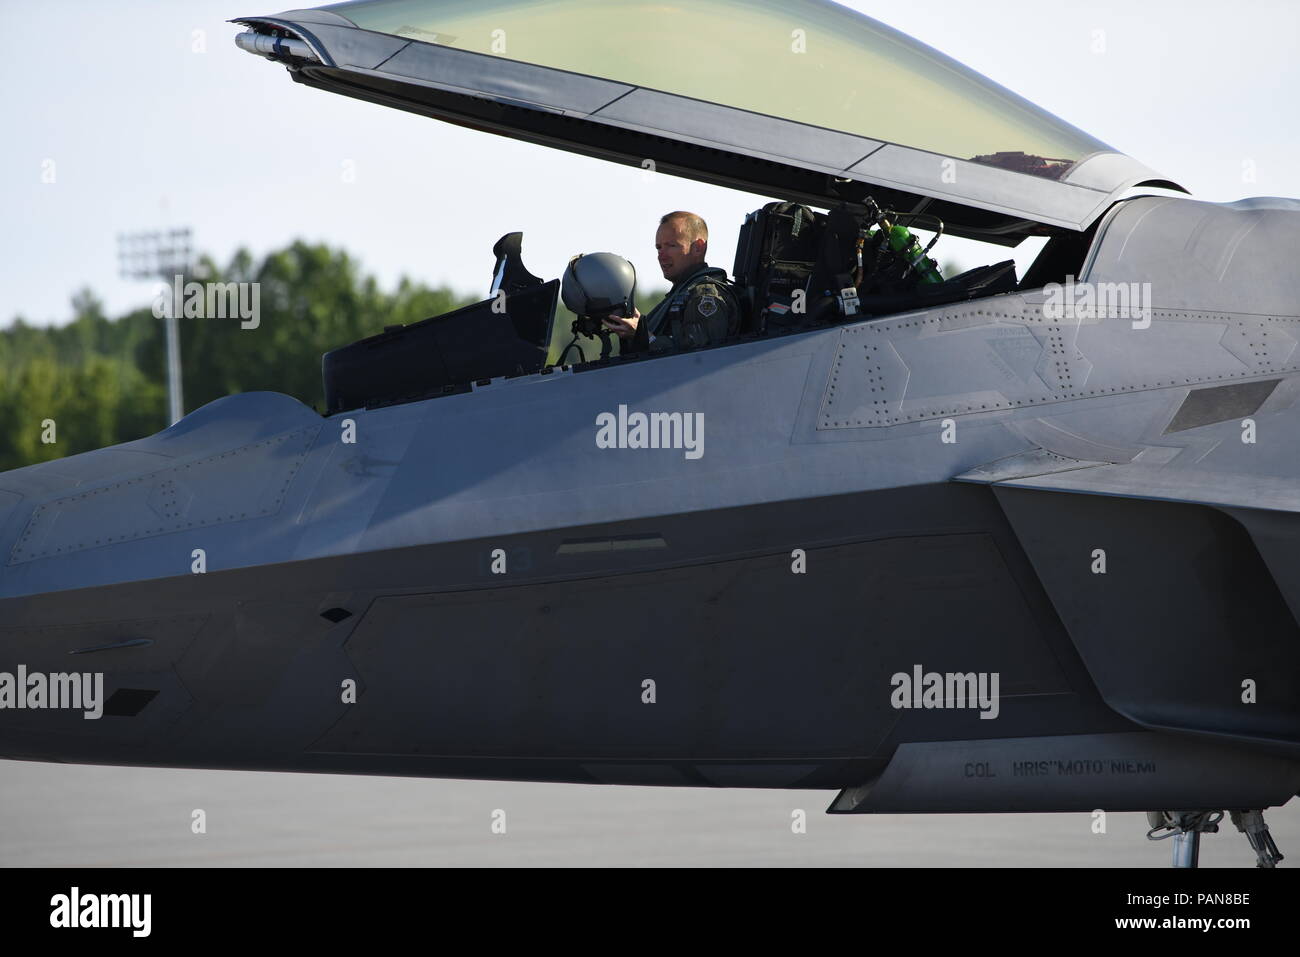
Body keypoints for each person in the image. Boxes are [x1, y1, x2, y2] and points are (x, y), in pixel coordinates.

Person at [603, 211, 740, 353]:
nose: (661, 255)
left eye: (671, 245)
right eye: (659, 247)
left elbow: (700, 358)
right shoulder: (681, 294)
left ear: (698, 247)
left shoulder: (704, 295)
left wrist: (643, 336)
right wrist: (638, 330)